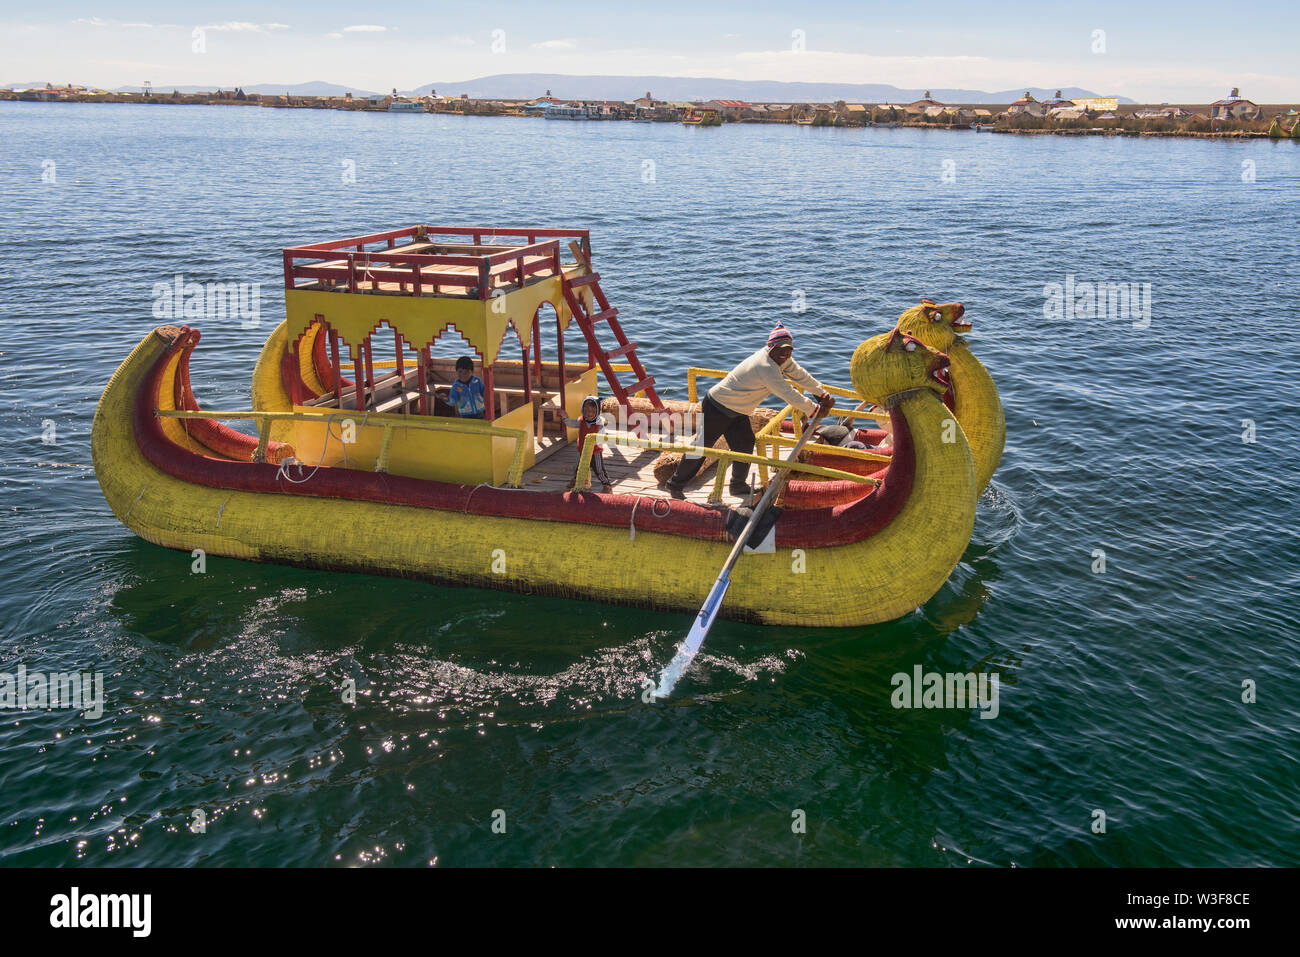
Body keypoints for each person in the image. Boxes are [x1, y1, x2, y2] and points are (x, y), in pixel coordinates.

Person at [668, 322, 834, 496]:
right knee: (702, 447)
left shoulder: (782, 359)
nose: (786, 354)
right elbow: (788, 393)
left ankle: (737, 485)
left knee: (745, 443)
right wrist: (814, 410)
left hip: (738, 410)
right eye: (782, 350)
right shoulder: (765, 366)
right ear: (770, 348)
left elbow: (800, 374)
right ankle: (675, 485)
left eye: (789, 351)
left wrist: (822, 393)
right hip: (718, 406)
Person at [563, 395, 613, 493]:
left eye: (592, 412)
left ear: (597, 412)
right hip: (582, 450)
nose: (589, 414)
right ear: (582, 410)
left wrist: (602, 437)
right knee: (577, 468)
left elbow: (601, 436)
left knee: (599, 470)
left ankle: (607, 485)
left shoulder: (599, 424)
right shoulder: (581, 420)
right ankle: (575, 481)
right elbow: (572, 423)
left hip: (595, 452)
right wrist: (565, 418)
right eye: (586, 411)